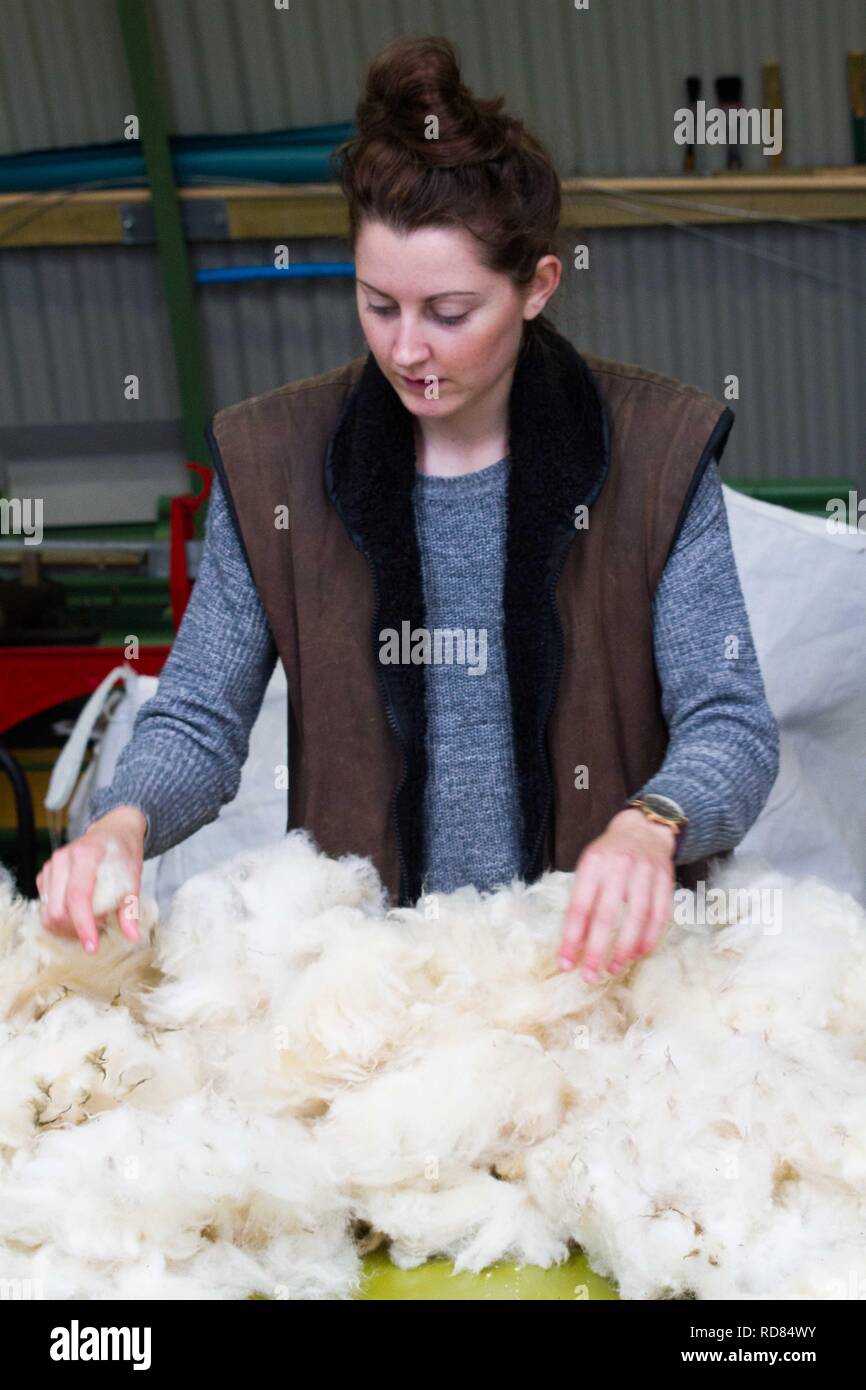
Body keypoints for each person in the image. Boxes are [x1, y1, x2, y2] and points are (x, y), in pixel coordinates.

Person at [37, 34, 779, 984]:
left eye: (450, 312)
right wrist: (120, 823)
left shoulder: (654, 455)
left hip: (601, 994)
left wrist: (653, 823)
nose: (408, 349)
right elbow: (196, 719)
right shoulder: (280, 464)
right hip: (369, 1005)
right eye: (377, 303)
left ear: (538, 288)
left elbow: (732, 724)